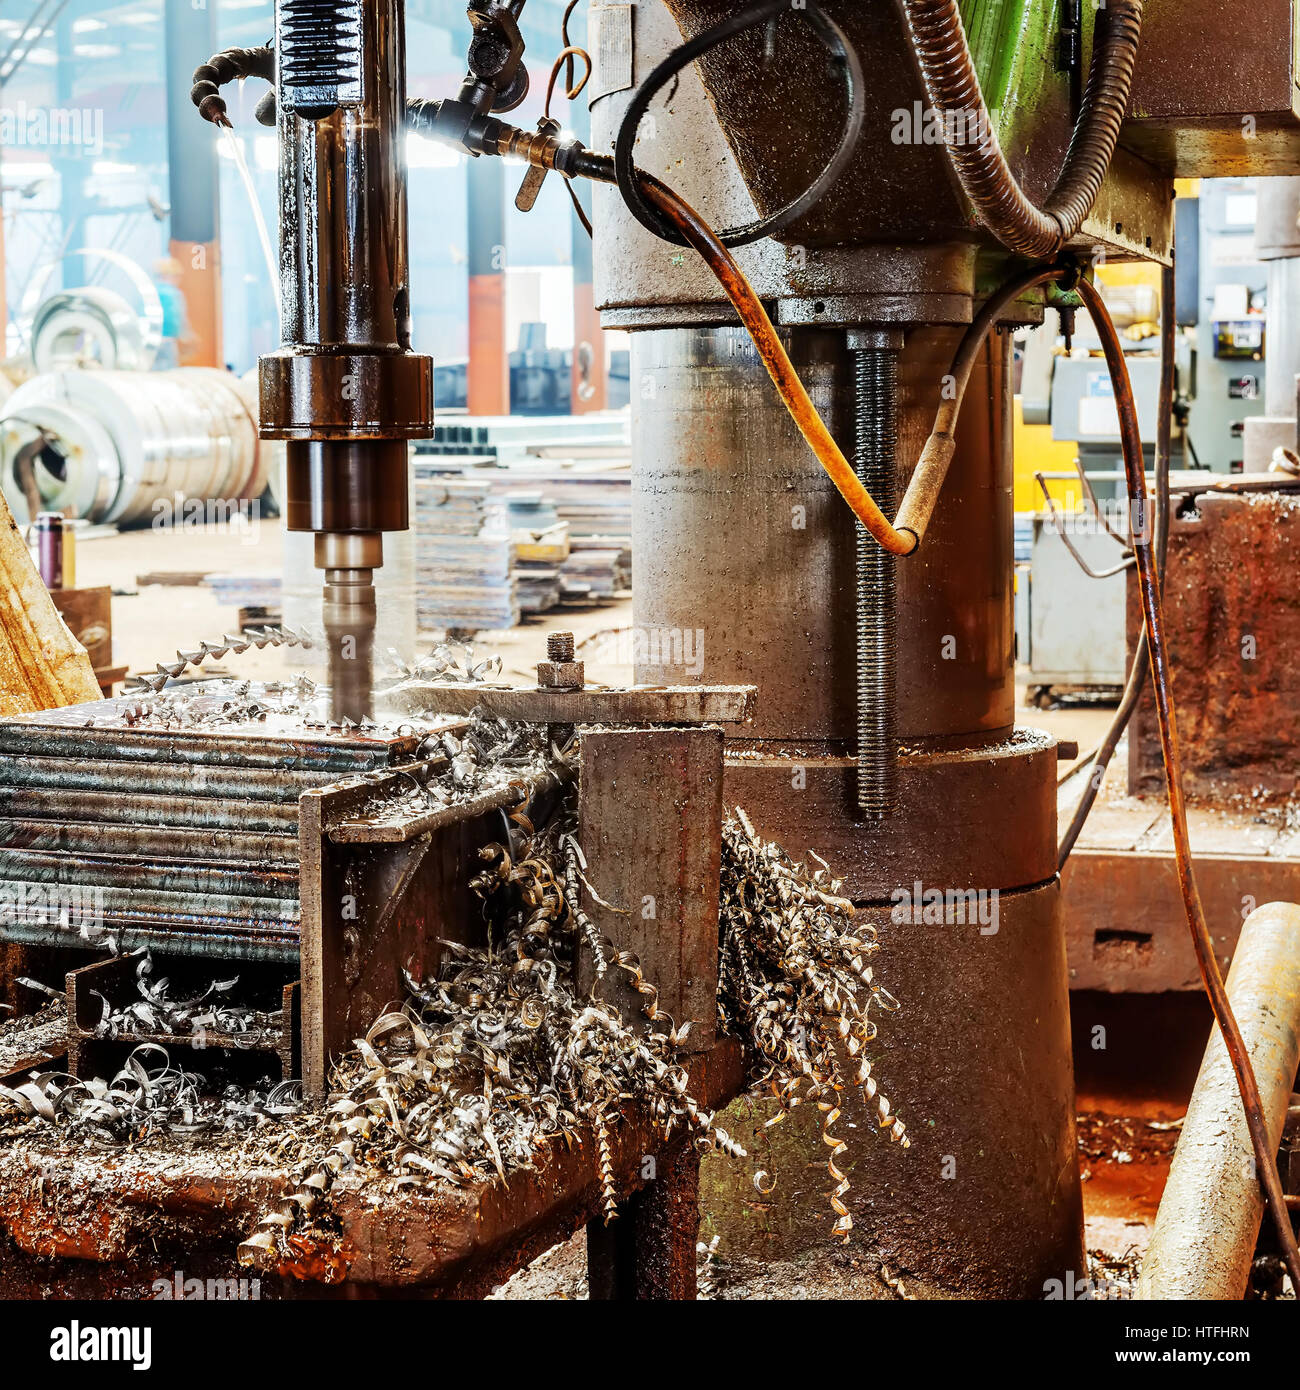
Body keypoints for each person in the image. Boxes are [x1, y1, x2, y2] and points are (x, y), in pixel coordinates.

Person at [152, 257, 195, 369]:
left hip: (151, 340)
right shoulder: (173, 294)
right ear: (168, 275)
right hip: (167, 341)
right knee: (169, 371)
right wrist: (187, 335)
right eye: (177, 277)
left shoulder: (152, 292)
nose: (178, 280)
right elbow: (177, 318)